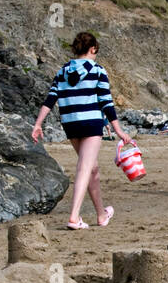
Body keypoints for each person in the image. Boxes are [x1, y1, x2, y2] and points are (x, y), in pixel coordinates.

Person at [32, 31, 134, 231]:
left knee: (92, 168)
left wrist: (38, 124)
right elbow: (106, 102)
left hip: (70, 124)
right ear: (92, 49)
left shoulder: (63, 70)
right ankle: (73, 217)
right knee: (84, 168)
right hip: (90, 123)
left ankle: (101, 214)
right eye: (96, 50)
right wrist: (119, 130)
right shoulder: (97, 70)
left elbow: (51, 98)